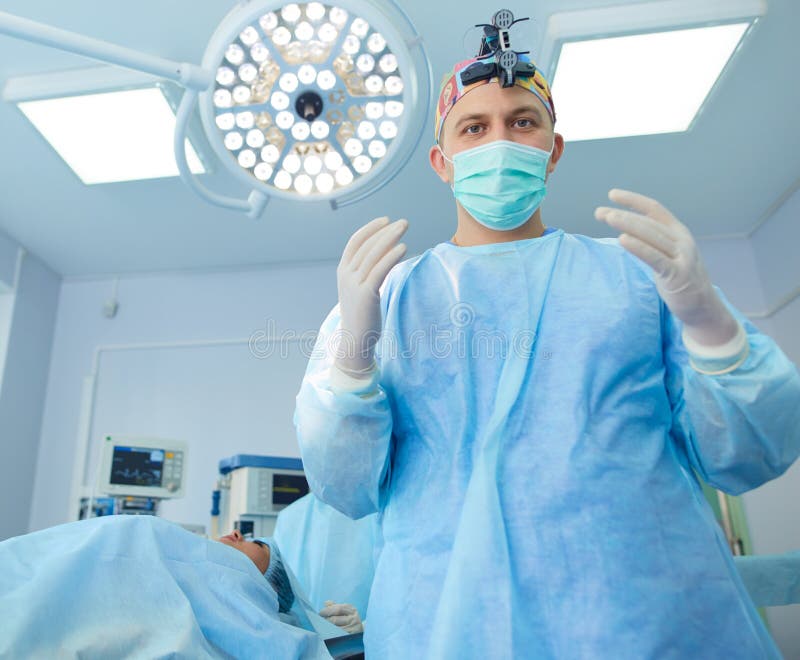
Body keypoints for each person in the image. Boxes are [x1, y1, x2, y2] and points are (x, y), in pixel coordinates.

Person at [293, 21, 800, 660]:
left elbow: (751, 455)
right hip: (447, 626)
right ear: (441, 161)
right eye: (474, 127)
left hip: (644, 624)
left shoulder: (638, 276)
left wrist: (708, 322)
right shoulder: (382, 300)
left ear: (554, 149)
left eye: (522, 122)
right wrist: (353, 361)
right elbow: (345, 488)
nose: (500, 140)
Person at [0, 515, 350, 658]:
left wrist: (347, 639)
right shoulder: (168, 543)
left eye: (257, 545)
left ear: (268, 587)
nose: (237, 534)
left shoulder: (242, 595)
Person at [274, 493, 380, 632]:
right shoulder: (289, 518)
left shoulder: (379, 512)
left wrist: (367, 628)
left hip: (366, 648)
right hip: (304, 645)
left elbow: (403, 593)